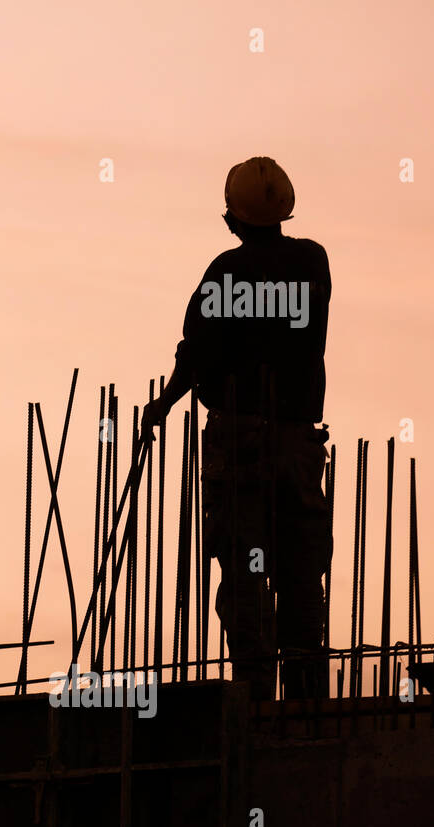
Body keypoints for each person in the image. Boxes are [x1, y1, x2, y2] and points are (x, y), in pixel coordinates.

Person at [142, 157, 332, 701]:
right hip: (297, 442)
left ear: (233, 219)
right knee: (299, 570)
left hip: (240, 442)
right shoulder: (312, 262)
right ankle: (304, 695)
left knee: (246, 567)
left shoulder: (226, 272)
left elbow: (198, 353)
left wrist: (165, 401)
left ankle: (252, 693)